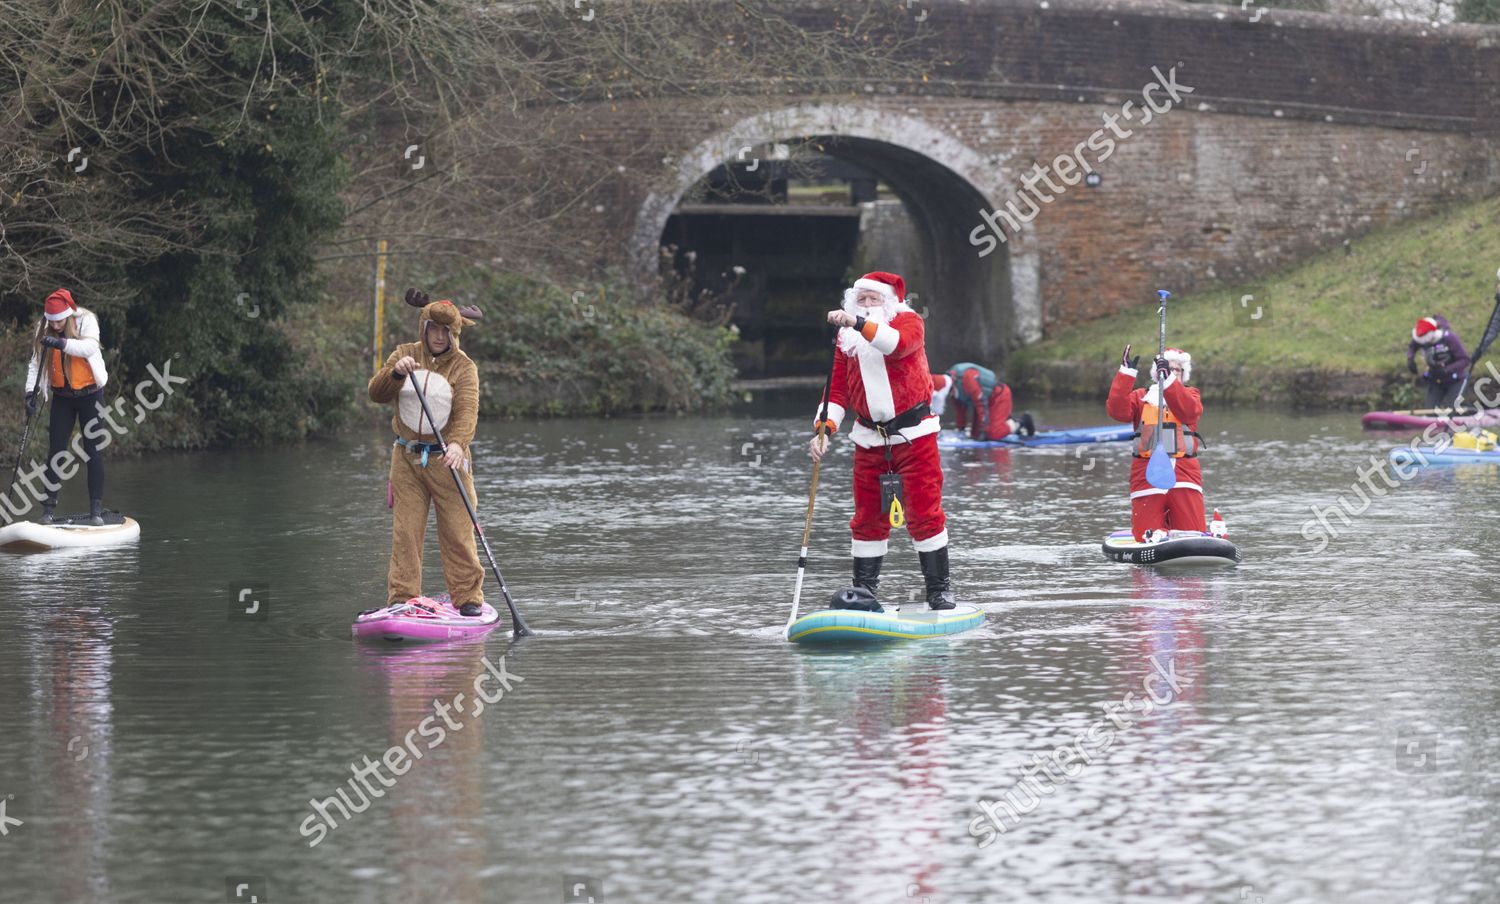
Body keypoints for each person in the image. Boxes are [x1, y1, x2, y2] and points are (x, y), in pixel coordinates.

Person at [808, 271, 958, 610]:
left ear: (888, 301)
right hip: (869, 440)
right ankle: (864, 592)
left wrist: (857, 322)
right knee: (867, 518)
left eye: (872, 299)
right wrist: (824, 430)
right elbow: (837, 389)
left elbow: (897, 346)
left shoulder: (908, 322)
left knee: (923, 512)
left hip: (914, 436)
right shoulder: (848, 339)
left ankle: (939, 589)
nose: (866, 304)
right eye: (860, 299)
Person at [368, 296, 487, 617]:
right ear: (424, 328)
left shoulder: (464, 367)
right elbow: (376, 394)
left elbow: (467, 411)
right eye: (433, 328)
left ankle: (467, 597)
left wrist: (459, 444)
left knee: (458, 531)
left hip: (448, 461)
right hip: (406, 458)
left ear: (455, 334)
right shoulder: (405, 353)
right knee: (405, 532)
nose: (438, 336)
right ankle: (402, 597)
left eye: (445, 331)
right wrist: (395, 373)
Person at [22, 289, 110, 525]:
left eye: (60, 321)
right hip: (62, 398)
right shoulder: (44, 327)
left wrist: (60, 343)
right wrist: (31, 393)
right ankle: (48, 511)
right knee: (55, 452)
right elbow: (35, 362)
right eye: (52, 321)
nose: (56, 325)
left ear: (69, 315)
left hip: (90, 395)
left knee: (93, 452)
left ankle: (96, 511)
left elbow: (88, 349)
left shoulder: (86, 320)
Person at [1106, 345, 1207, 542]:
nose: (1170, 372)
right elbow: (1117, 411)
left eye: (1176, 370)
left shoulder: (1191, 395)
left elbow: (1188, 411)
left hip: (1184, 473)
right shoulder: (1140, 397)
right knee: (1145, 533)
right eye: (1166, 368)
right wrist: (1125, 374)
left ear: (1182, 374)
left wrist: (1168, 380)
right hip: (1147, 473)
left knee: (1191, 532)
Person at [941, 362, 1035, 441]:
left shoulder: (967, 378)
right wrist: (960, 431)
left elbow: (981, 403)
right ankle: (1005, 425)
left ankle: (1020, 422)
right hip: (984, 402)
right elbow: (960, 412)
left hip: (999, 396)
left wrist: (983, 430)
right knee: (975, 435)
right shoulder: (952, 392)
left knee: (993, 433)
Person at [1407, 315, 1469, 410]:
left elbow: (1465, 360)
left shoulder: (1450, 338)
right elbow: (1412, 346)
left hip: (1455, 380)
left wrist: (1446, 370)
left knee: (1451, 410)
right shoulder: (1422, 339)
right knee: (1429, 411)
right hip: (1435, 380)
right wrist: (1410, 359)